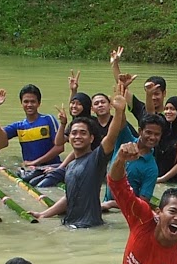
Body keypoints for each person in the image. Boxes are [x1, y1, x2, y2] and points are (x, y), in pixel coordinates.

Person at [39, 72, 131, 229]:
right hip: (71, 225)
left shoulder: (96, 159)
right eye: (74, 133)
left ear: (91, 138)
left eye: (83, 133)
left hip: (90, 227)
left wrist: (119, 112)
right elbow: (69, 198)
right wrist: (43, 214)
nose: (77, 136)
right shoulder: (71, 166)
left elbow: (111, 136)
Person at [0, 84, 63, 183]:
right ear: (21, 103)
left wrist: (35, 162)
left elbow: (59, 147)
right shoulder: (19, 126)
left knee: (32, 182)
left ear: (39, 103)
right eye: (26, 102)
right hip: (31, 170)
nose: (29, 105)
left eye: (33, 102)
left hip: (51, 167)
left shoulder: (48, 119)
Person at [102, 114, 164, 209]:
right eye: (148, 132)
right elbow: (121, 120)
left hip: (123, 214)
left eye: (157, 134)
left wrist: (111, 204)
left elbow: (142, 203)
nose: (152, 137)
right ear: (140, 131)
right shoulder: (125, 140)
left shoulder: (152, 168)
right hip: (103, 207)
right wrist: (120, 108)